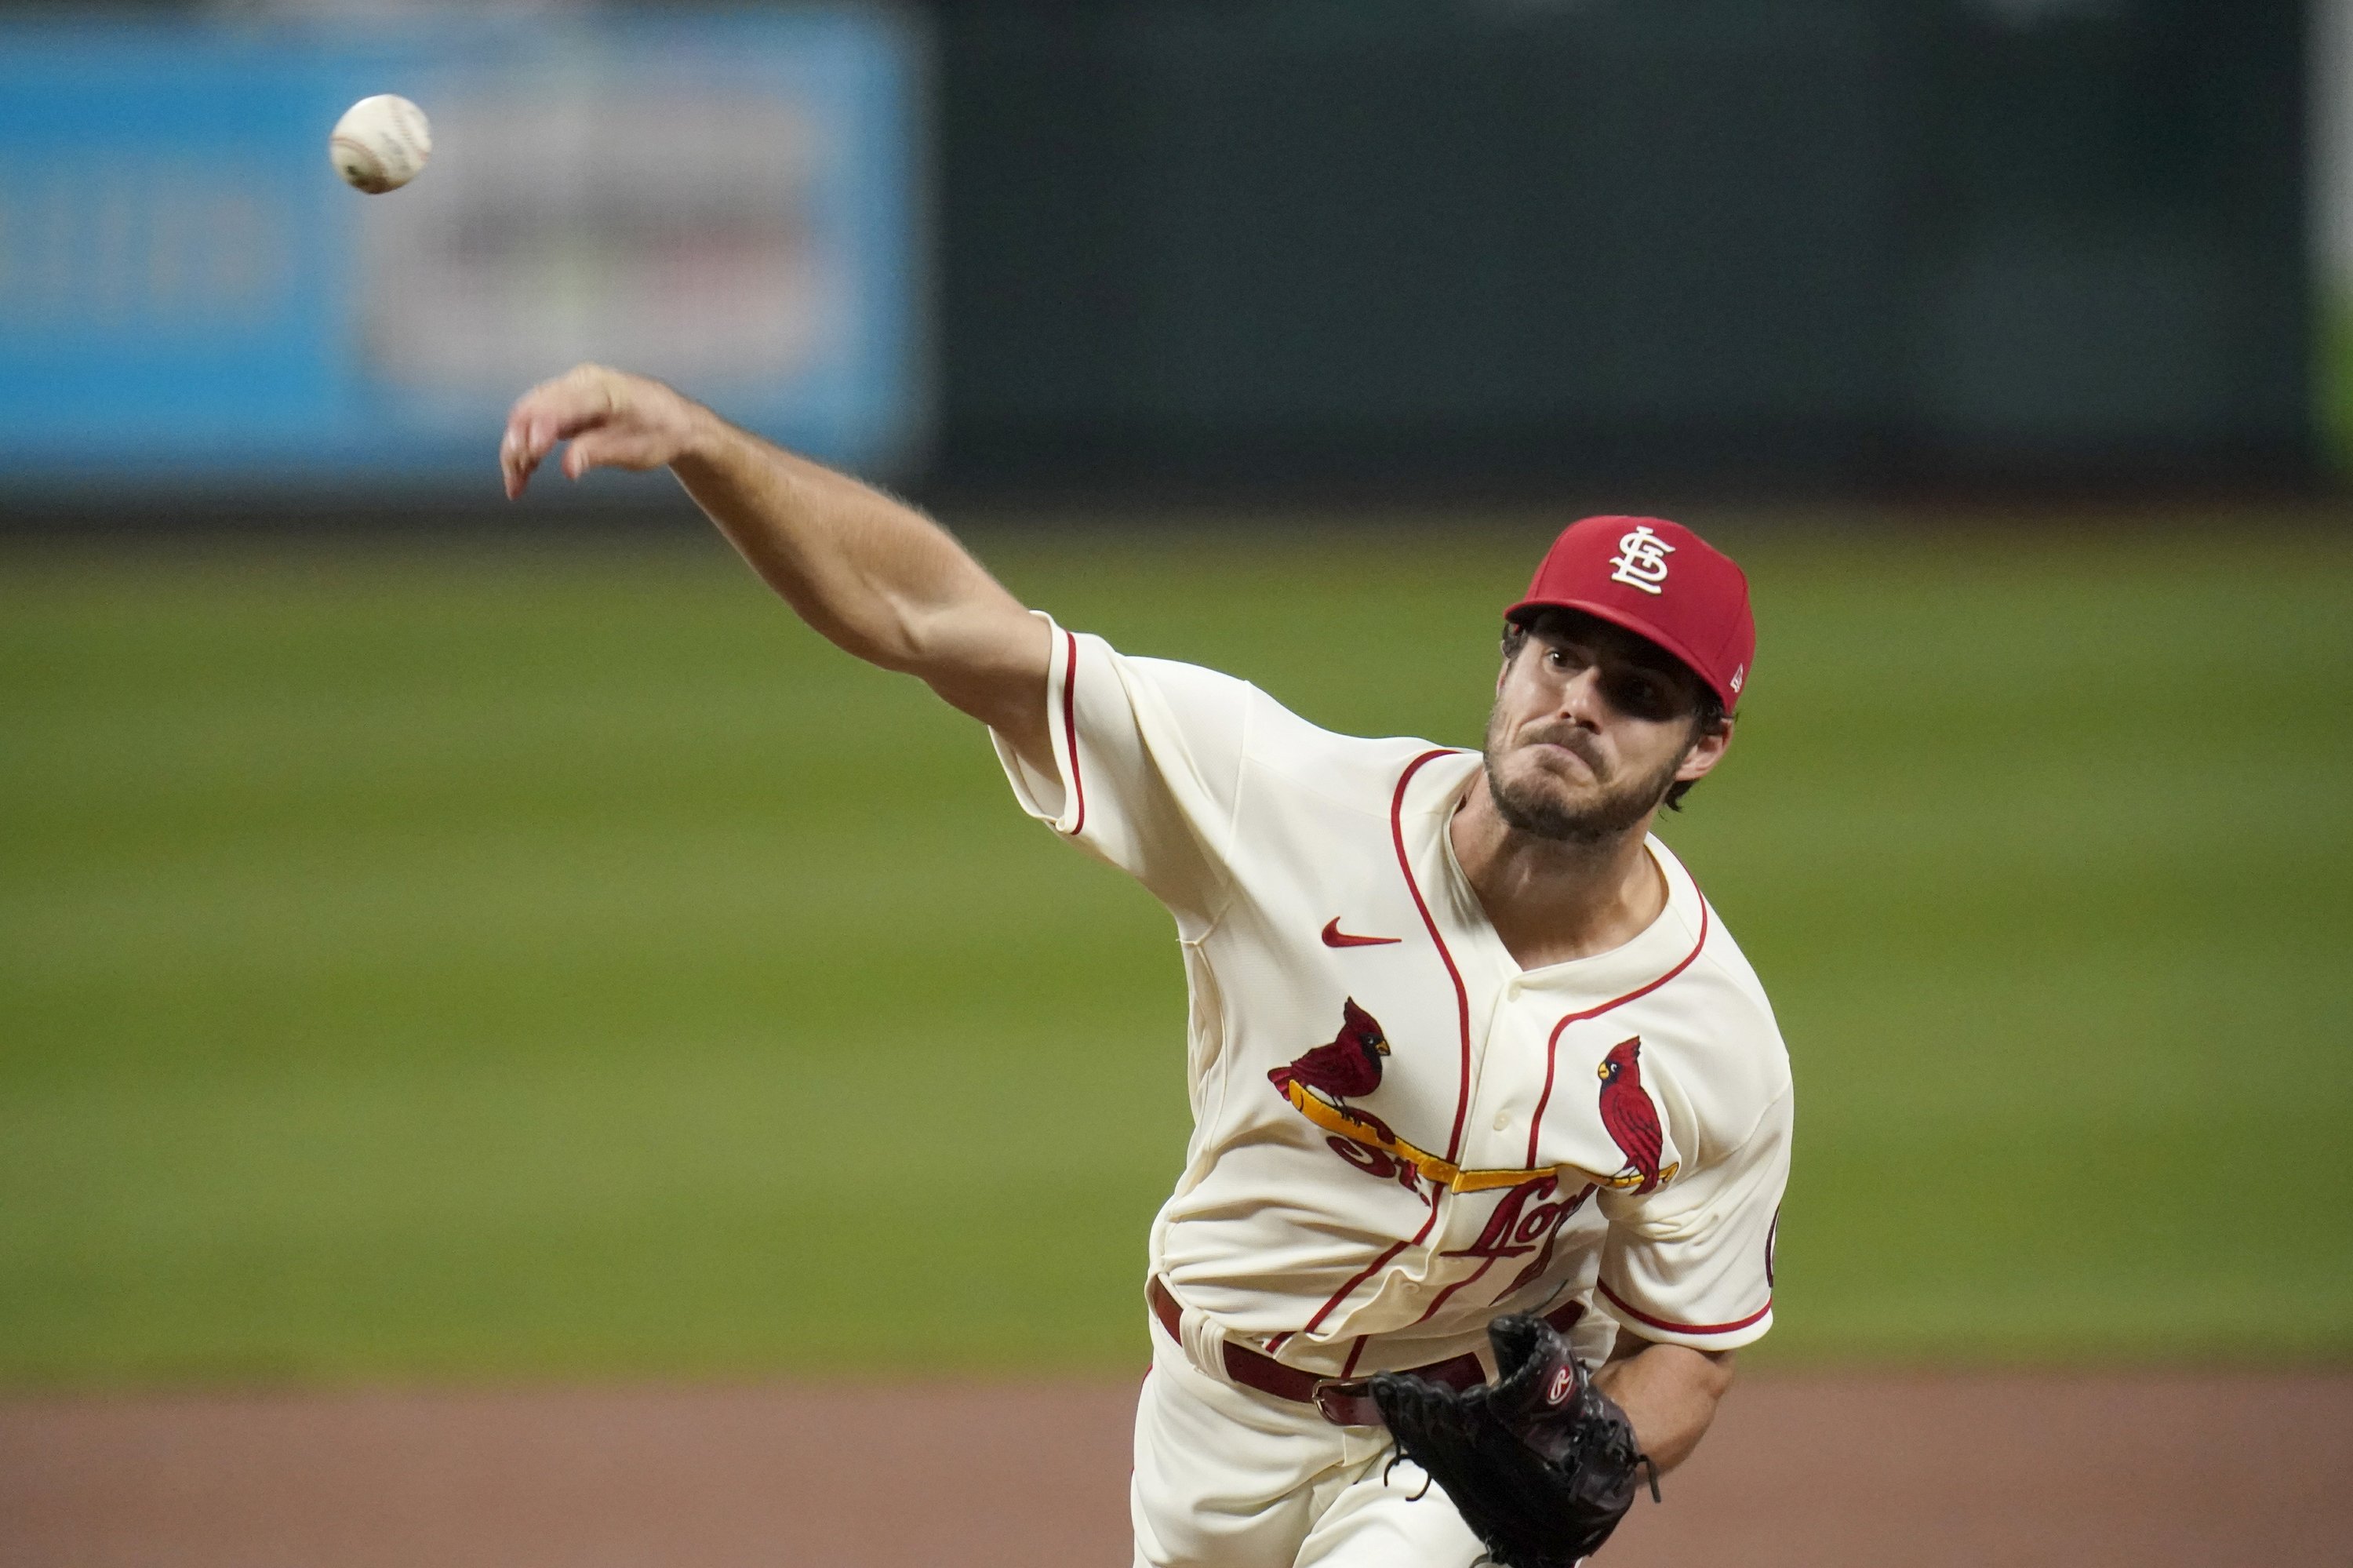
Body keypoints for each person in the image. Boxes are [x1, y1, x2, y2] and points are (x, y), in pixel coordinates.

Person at [501, 365, 1792, 1568]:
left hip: (1450, 1461)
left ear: (1703, 746)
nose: (1579, 703)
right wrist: (710, 445)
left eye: (1637, 691)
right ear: (1507, 659)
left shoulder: (1716, 1039)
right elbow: (936, 622)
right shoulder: (1279, 799)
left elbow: (1691, 1347)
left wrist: (1600, 1452)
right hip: (1209, 1416)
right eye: (1560, 655)